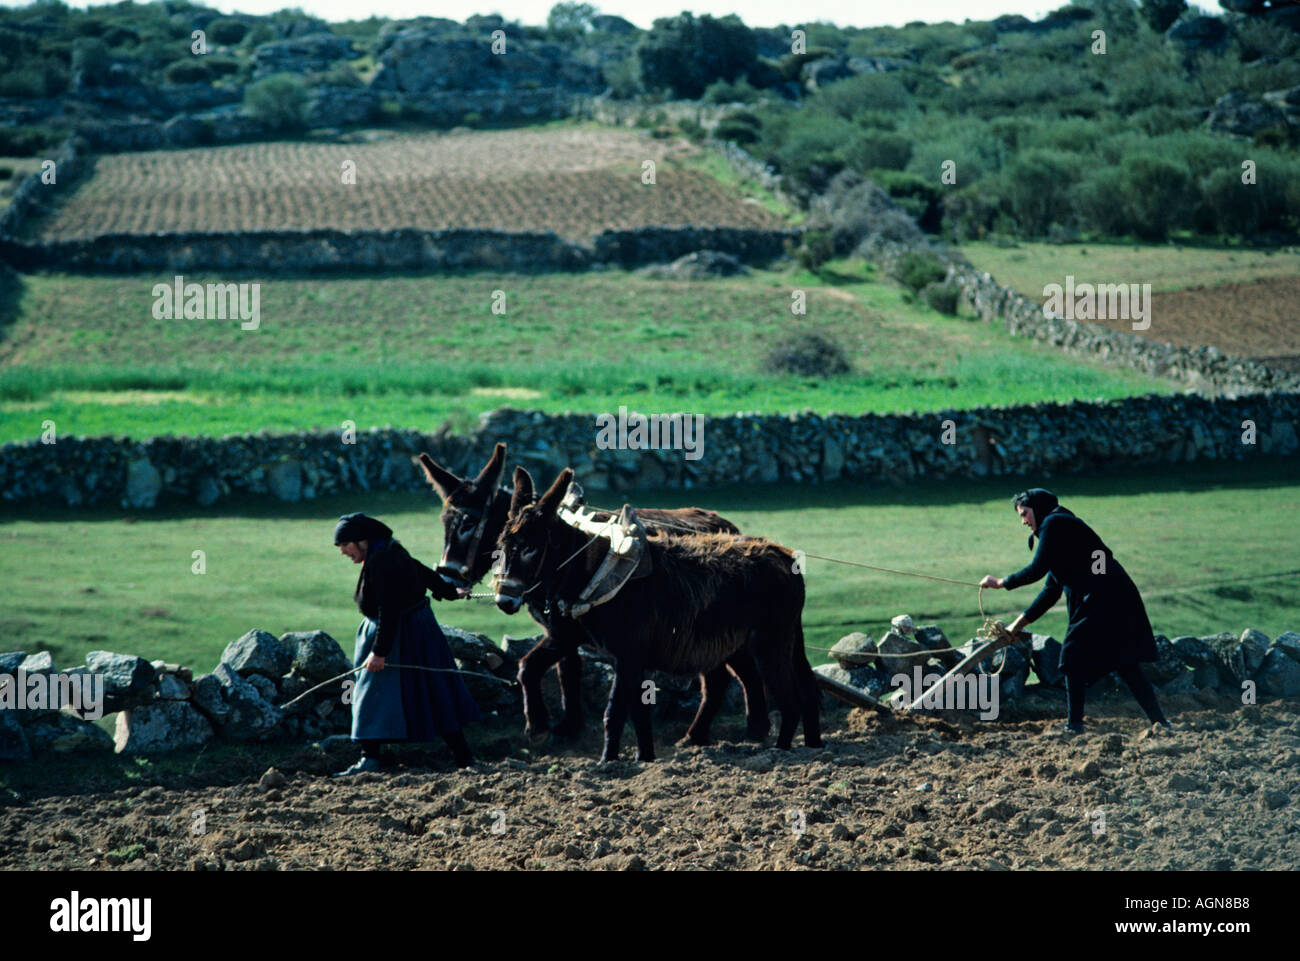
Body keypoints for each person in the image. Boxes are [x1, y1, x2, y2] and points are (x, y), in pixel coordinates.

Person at [980, 488, 1171, 736]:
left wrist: (1001, 583)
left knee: (1072, 659)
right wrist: (1015, 626)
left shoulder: (1055, 523)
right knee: (1125, 664)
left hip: (1104, 596)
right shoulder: (1060, 528)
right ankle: (1160, 724)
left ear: (1037, 508)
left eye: (1025, 514)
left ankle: (1074, 725)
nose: (1024, 521)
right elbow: (1051, 591)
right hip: (1113, 595)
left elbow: (1037, 569)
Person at [332, 512, 481, 775]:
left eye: (346, 545)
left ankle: (370, 759)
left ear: (362, 540)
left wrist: (379, 652)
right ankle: (464, 757)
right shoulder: (389, 551)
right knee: (435, 690)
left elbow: (388, 608)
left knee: (369, 693)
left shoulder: (381, 560)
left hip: (399, 634)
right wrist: (448, 591)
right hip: (415, 630)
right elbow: (419, 569)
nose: (343, 552)